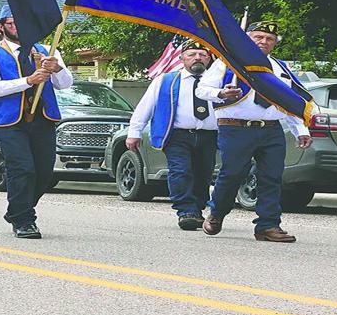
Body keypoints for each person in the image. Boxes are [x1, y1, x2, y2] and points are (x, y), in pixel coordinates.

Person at [197, 20, 313, 243]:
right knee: (232, 174)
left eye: (269, 39)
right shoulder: (228, 62)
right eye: (258, 37)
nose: (264, 41)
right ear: (247, 38)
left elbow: (289, 101)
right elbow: (202, 89)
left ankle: (268, 225)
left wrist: (300, 129)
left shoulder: (279, 68)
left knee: (271, 177)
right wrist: (221, 93)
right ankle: (217, 212)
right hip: (235, 128)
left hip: (271, 130)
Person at [0, 4, 74, 239]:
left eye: (22, 21)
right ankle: (24, 219)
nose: (19, 27)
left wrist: (57, 68)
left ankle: (19, 208)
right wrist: (28, 80)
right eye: (12, 23)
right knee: (22, 169)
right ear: (1, 26)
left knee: (44, 172)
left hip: (43, 116)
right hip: (8, 120)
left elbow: (65, 84)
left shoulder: (47, 50)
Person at [126, 41, 217, 231]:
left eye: (202, 54)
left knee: (203, 174)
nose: (197, 58)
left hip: (210, 136)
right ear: (181, 58)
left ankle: (197, 209)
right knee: (180, 171)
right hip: (177, 135)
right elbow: (145, 106)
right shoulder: (165, 80)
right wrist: (134, 132)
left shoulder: (218, 81)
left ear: (209, 59)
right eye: (192, 54)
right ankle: (185, 211)